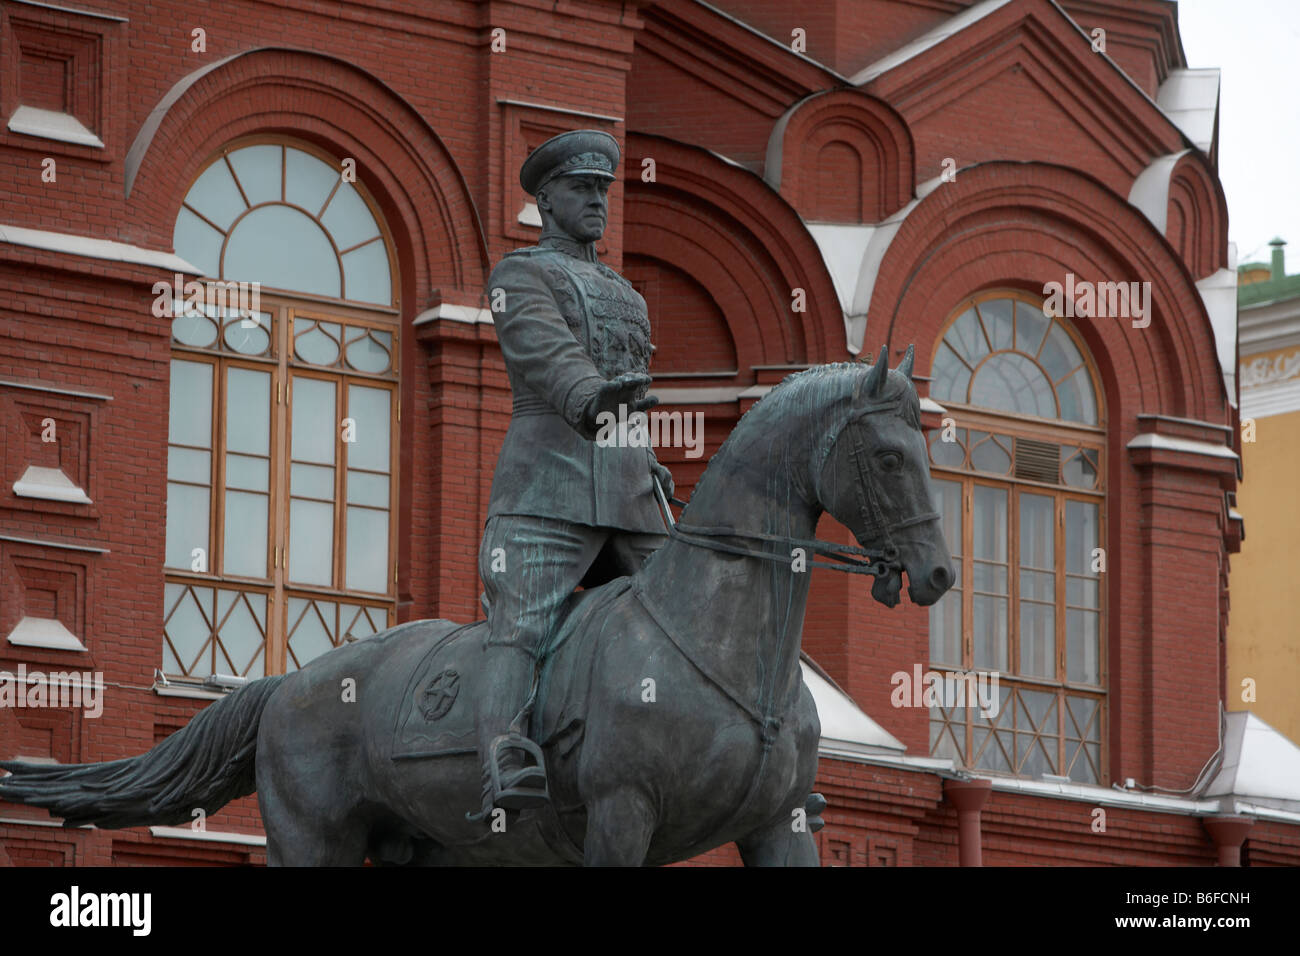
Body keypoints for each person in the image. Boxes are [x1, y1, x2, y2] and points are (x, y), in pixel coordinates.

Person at [472, 128, 674, 818]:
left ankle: (739, 755)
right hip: (547, 483)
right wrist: (590, 399)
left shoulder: (625, 293)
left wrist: (646, 459)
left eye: (603, 190)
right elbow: (545, 352)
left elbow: (632, 393)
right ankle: (503, 754)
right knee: (522, 622)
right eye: (581, 189)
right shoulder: (519, 275)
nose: (596, 201)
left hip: (629, 490)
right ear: (546, 200)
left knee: (696, 616)